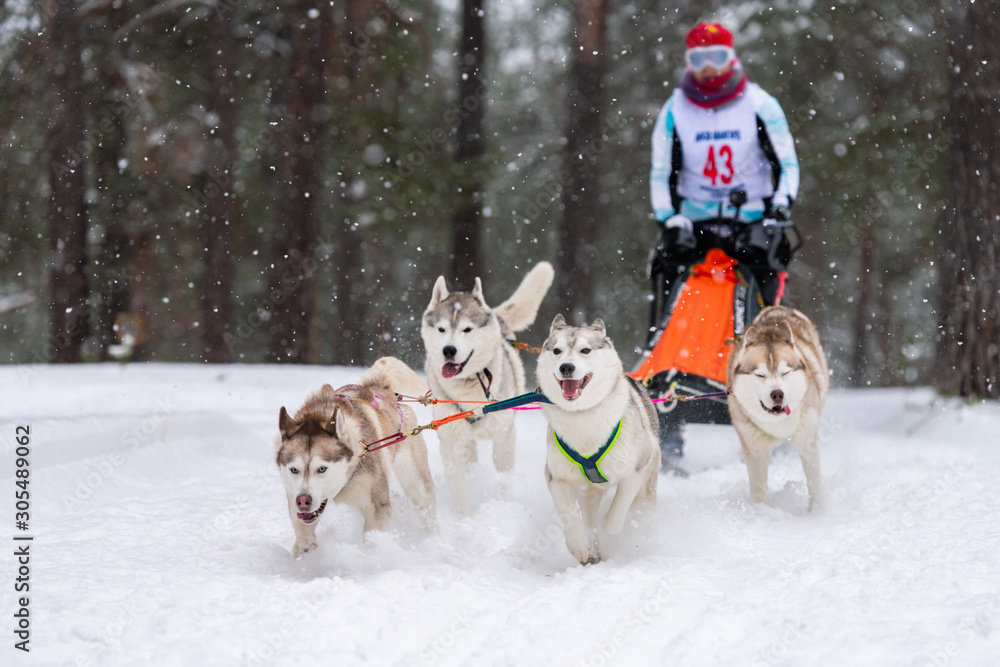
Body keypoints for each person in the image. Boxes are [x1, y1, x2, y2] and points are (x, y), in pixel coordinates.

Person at [647, 21, 800, 461]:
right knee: (670, 314)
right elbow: (661, 173)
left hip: (752, 224)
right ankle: (668, 425)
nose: (709, 68)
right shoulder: (675, 108)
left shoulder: (759, 104)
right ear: (688, 62)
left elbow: (787, 164)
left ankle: (776, 418)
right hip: (694, 229)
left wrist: (777, 211)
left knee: (769, 320)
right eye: (699, 59)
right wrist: (669, 218)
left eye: (717, 57)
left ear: (732, 58)